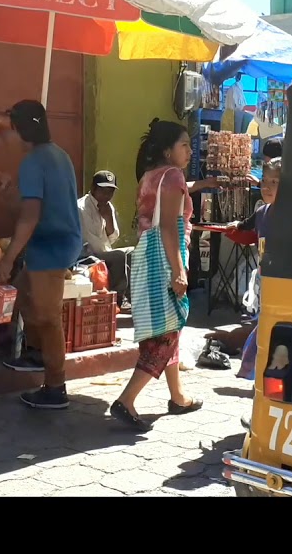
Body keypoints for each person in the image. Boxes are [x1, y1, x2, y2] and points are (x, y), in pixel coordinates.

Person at [109, 119, 204, 430]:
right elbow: (169, 228)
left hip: (145, 259)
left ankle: (178, 396)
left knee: (166, 327)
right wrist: (179, 271)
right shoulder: (174, 176)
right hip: (165, 258)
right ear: (168, 150)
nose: (190, 150)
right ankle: (126, 400)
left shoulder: (150, 176)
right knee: (166, 333)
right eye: (184, 145)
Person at [0, 100, 84, 410]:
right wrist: (10, 192)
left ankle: (55, 386)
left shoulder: (33, 161)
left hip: (51, 245)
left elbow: (31, 214)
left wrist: (7, 258)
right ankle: (35, 352)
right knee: (22, 294)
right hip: (60, 240)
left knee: (48, 318)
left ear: (18, 128)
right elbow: (36, 204)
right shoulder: (59, 155)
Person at [232, 156, 281, 379]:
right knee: (264, 321)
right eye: (265, 181)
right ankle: (252, 369)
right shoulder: (263, 212)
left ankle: (252, 368)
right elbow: (248, 223)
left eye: (275, 182)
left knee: (267, 324)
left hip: (283, 280)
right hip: (265, 279)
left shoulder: (288, 215)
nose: (267, 187)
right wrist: (236, 226)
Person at [77, 170, 134, 309]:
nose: (107, 195)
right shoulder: (81, 207)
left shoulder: (108, 207)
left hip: (104, 250)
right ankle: (118, 297)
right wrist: (109, 253)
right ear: (93, 189)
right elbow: (91, 240)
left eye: (110, 191)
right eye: (103, 191)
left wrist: (108, 218)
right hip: (87, 254)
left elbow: (113, 237)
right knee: (119, 256)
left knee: (133, 252)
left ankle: (133, 296)